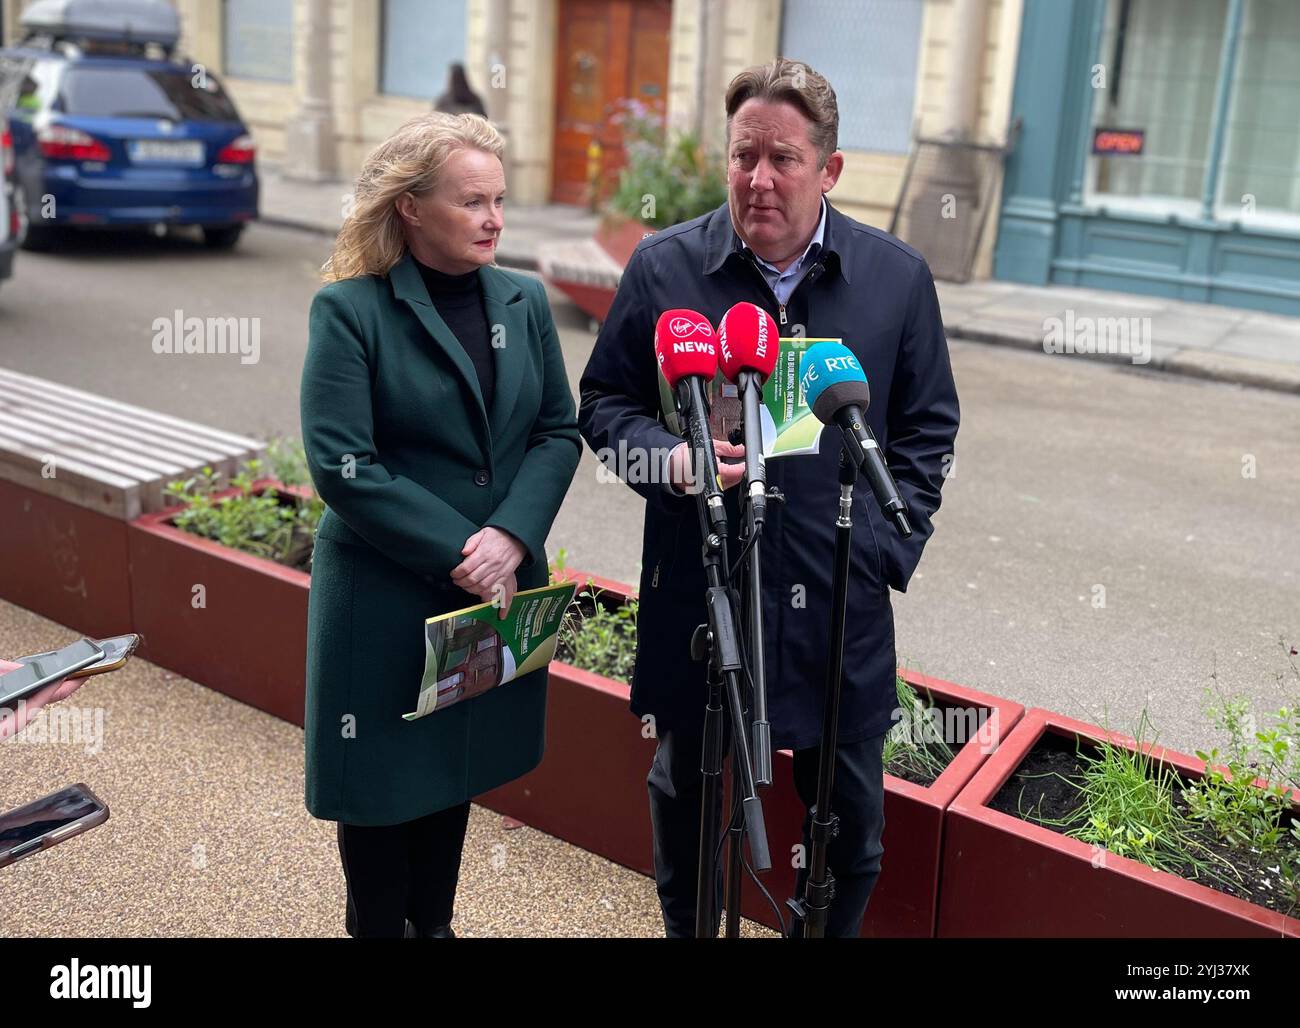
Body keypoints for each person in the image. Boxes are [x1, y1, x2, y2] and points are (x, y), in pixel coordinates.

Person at [578, 58, 960, 937]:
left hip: (837, 606)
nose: (759, 178)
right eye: (744, 155)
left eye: (783, 159)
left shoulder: (895, 280)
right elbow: (603, 408)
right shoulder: (666, 268)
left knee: (852, 834)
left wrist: (883, 550)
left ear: (829, 169)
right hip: (703, 587)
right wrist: (671, 461)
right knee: (685, 808)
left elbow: (927, 430)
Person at [300, 112, 581, 938]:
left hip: (484, 594)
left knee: (450, 778)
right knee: (384, 801)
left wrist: (513, 537)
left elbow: (556, 432)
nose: (495, 219)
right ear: (412, 209)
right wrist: (465, 545)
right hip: (383, 603)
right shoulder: (351, 312)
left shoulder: (524, 300)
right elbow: (342, 464)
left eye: (500, 200)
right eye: (473, 202)